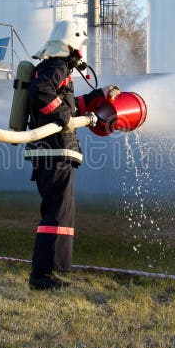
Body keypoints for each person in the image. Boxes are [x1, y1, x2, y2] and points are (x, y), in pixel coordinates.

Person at [24, 20, 121, 290]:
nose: (81, 51)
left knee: (58, 211)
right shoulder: (57, 66)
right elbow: (42, 95)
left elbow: (69, 105)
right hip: (53, 150)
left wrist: (96, 97)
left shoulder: (57, 68)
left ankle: (45, 273)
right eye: (80, 44)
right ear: (70, 44)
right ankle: (42, 276)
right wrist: (63, 115)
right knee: (57, 212)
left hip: (53, 150)